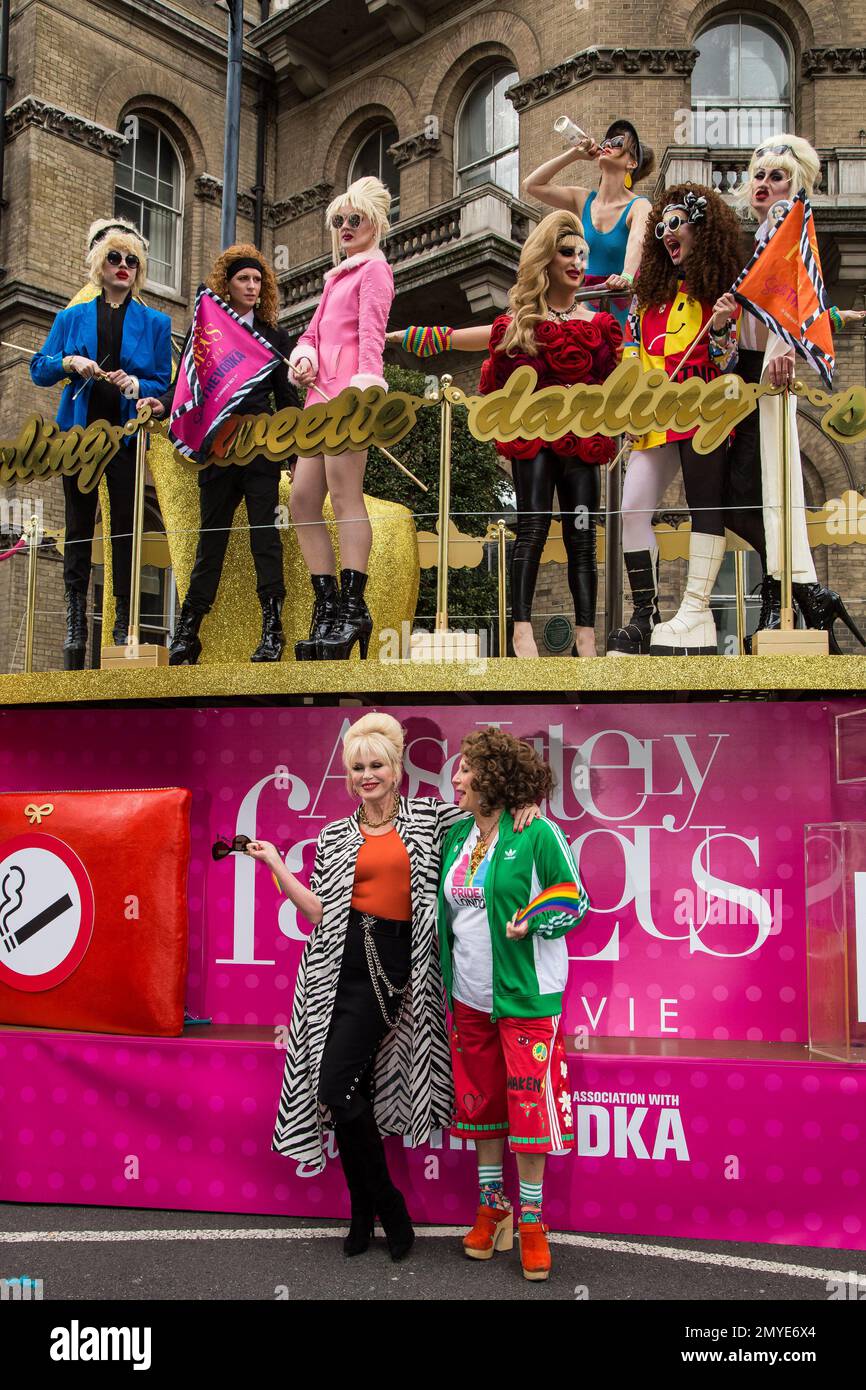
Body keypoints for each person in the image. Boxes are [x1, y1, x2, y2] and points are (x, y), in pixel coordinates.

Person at [245, 712, 541, 1259]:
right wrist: (275, 866)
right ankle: (373, 1209)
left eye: (376, 764)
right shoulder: (335, 836)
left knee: (340, 1089)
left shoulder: (432, 820)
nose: (366, 775)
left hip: (395, 976)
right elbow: (316, 911)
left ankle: (382, 1204)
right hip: (334, 972)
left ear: (397, 768)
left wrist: (527, 807)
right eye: (357, 767)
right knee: (342, 1092)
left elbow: (487, 812)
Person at [387, 211, 622, 658]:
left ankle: (587, 635)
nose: (576, 262)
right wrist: (402, 336)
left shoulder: (597, 323)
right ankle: (521, 630)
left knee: (583, 534)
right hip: (532, 435)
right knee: (532, 526)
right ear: (546, 260)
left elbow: (618, 382)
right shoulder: (520, 322)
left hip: (582, 439)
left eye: (582, 255)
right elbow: (460, 337)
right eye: (567, 253)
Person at [437, 727, 588, 1282]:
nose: (455, 779)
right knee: (482, 1103)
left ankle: (531, 1219)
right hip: (469, 998)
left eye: (465, 771)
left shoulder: (538, 833)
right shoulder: (455, 837)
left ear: (491, 780)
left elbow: (575, 897)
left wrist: (533, 920)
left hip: (526, 996)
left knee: (529, 1105)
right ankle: (492, 1205)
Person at [727, 134, 866, 651]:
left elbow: (795, 285)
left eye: (776, 176)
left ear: (795, 183)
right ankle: (804, 589)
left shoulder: (789, 215)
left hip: (767, 364)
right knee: (766, 478)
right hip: (751, 365)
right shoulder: (769, 225)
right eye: (759, 176)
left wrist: (784, 348)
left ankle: (786, 590)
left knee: (775, 476)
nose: (765, 184)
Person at [139, 245, 298, 665]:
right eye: (243, 279)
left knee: (265, 539)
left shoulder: (275, 336)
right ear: (226, 285)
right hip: (217, 449)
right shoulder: (206, 329)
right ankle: (188, 633)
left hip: (260, 447)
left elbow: (287, 399)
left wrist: (296, 455)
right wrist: (160, 404)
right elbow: (184, 386)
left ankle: (272, 631)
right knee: (211, 542)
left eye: (257, 281)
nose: (251, 286)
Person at [607, 184, 742, 656]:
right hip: (656, 416)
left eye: (676, 222)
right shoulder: (646, 300)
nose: (667, 232)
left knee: (705, 507)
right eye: (660, 226)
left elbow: (727, 363)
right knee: (631, 507)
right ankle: (645, 614)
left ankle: (697, 610)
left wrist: (723, 328)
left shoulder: (721, 290)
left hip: (705, 414)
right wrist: (633, 405)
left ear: (701, 229)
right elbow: (631, 357)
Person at [30, 226, 171, 668]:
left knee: (127, 528)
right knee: (77, 526)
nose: (124, 268)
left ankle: (123, 620)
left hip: (125, 436)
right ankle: (75, 621)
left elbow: (164, 386)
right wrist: (70, 362)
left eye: (132, 262)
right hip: (80, 437)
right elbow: (38, 368)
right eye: (115, 259)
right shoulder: (72, 318)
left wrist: (136, 384)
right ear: (100, 266)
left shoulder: (156, 323)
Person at [288, 177, 395, 660]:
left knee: (345, 492)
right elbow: (312, 332)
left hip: (350, 396)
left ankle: (353, 608)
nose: (346, 228)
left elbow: (373, 332)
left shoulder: (374, 270)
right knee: (303, 500)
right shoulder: (337, 277)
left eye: (356, 220)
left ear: (375, 223)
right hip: (318, 398)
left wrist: (366, 383)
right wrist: (305, 356)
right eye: (340, 221)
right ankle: (327, 605)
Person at [523, 119, 655, 326]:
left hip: (616, 303)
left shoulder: (639, 206)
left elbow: (637, 240)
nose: (609, 145)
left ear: (632, 162)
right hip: (579, 303)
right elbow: (531, 185)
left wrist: (627, 276)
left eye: (619, 142)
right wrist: (574, 154)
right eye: (607, 141)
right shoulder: (583, 199)